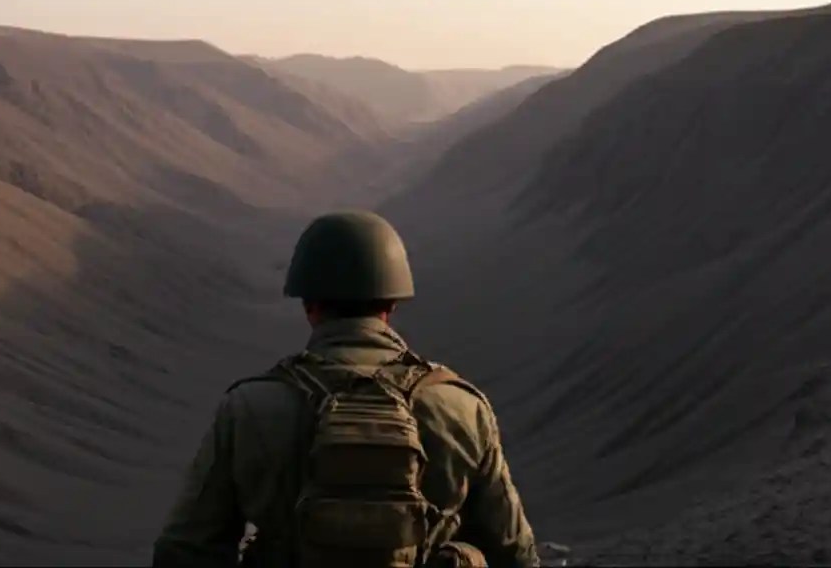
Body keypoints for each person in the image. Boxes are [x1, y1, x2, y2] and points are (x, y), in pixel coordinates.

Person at [151, 209, 540, 568]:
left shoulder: (248, 408)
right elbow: (514, 553)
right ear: (392, 302)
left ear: (309, 303)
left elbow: (185, 548)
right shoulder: (462, 407)